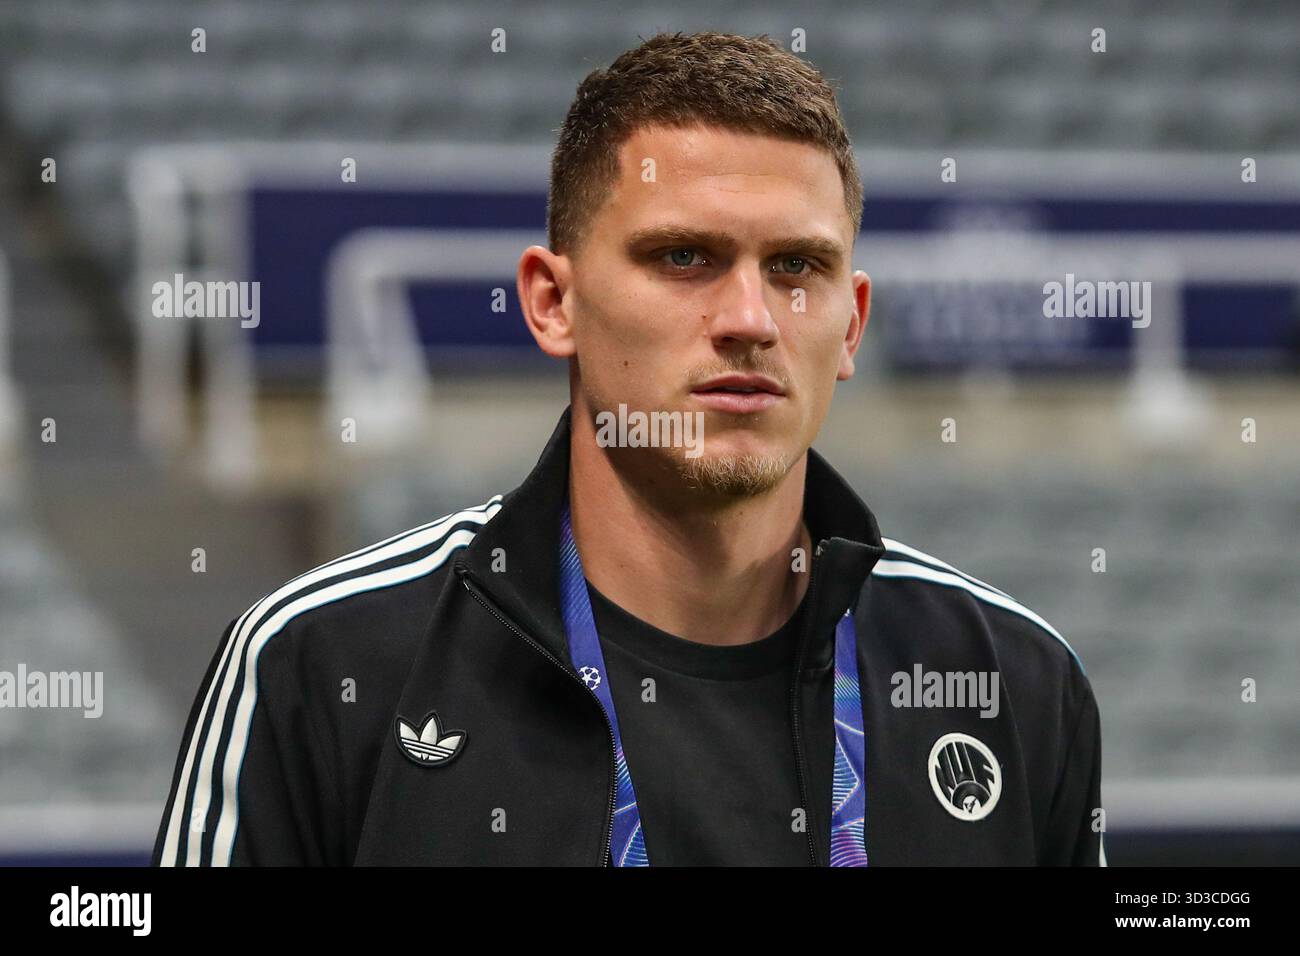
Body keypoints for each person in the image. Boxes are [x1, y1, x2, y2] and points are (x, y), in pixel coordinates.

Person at [154, 31, 1103, 866]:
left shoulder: (1013, 683)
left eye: (795, 268)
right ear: (551, 301)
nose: (748, 319)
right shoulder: (321, 664)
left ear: (851, 325)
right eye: (683, 257)